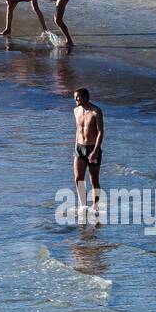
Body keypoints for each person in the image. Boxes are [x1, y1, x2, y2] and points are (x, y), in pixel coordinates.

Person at [72, 87, 105, 218]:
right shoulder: (75, 111)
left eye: (78, 97)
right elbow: (78, 130)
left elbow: (101, 132)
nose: (75, 100)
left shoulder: (96, 111)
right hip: (79, 148)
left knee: (94, 180)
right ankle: (83, 206)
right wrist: (75, 147)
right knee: (78, 179)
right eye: (74, 97)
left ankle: (96, 207)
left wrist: (96, 151)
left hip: (92, 148)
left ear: (85, 97)